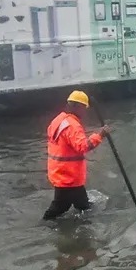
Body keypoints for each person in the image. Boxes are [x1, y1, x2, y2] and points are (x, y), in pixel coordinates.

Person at [42, 91, 113, 220]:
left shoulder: (58, 120)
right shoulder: (73, 126)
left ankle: (79, 220)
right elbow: (83, 146)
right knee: (61, 207)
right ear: (77, 107)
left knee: (80, 204)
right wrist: (100, 135)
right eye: (83, 109)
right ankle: (45, 226)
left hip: (60, 172)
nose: (85, 112)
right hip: (69, 176)